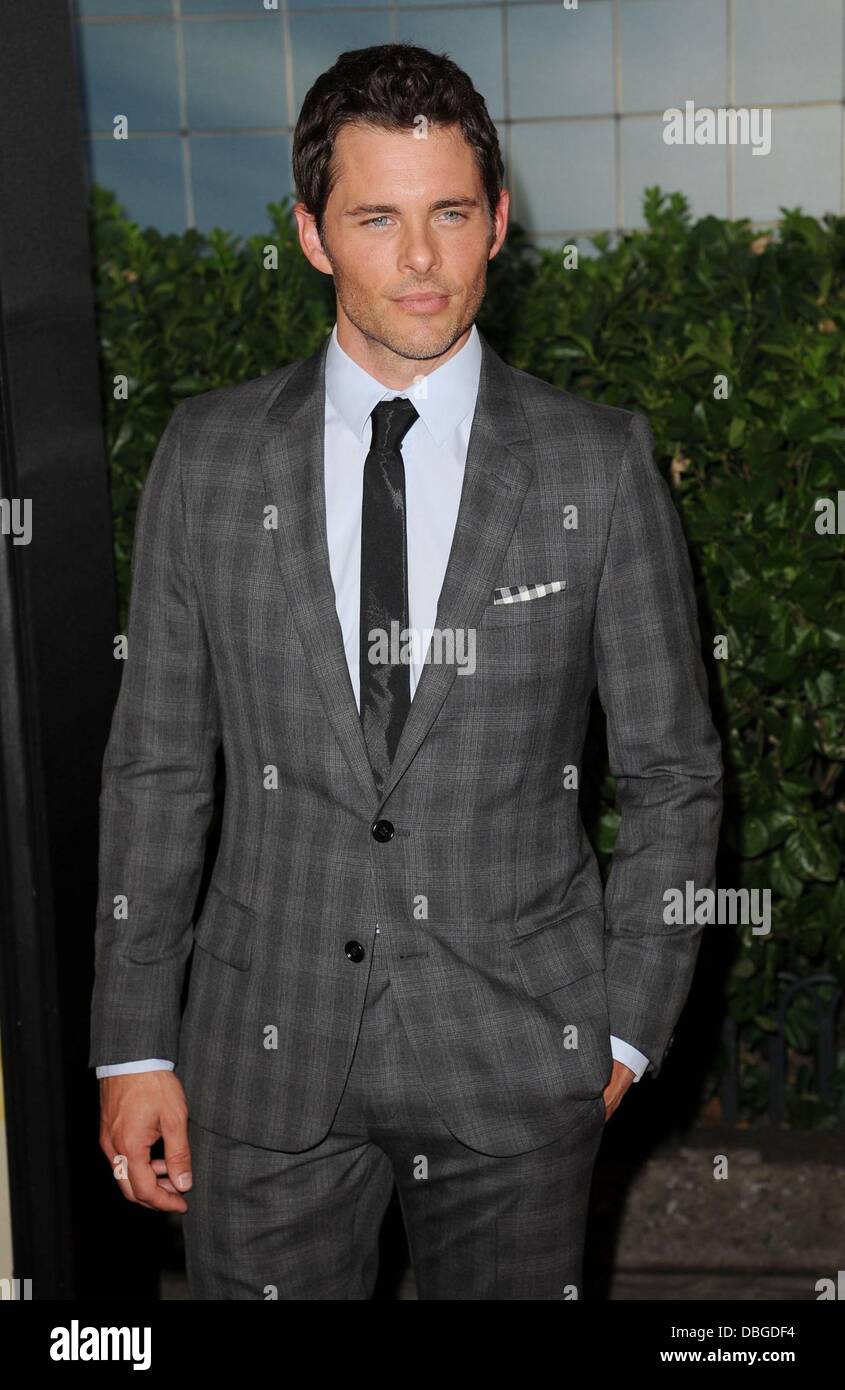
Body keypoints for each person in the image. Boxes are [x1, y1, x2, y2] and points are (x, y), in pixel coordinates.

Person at [90, 42, 723, 1300]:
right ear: (313, 235)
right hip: (259, 1060)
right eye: (376, 218)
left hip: (517, 1052)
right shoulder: (208, 459)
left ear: (496, 220)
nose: (421, 261)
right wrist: (130, 1047)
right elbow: (158, 767)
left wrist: (622, 1025)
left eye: (448, 214)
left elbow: (672, 774)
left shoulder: (593, 466)